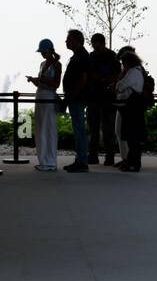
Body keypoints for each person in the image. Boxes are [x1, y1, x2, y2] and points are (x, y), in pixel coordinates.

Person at [28, 39, 62, 172]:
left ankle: (50, 161)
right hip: (40, 95)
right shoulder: (42, 64)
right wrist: (34, 81)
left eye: (43, 51)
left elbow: (56, 84)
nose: (42, 54)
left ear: (49, 51)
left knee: (49, 128)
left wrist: (42, 79)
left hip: (48, 96)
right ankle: (43, 160)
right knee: (40, 128)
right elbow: (42, 83)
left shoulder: (57, 65)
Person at [87, 33, 120, 167]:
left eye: (96, 43)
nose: (94, 46)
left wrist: (104, 79)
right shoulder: (93, 56)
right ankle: (95, 156)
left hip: (106, 98)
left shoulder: (112, 57)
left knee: (107, 130)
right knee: (95, 129)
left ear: (102, 43)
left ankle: (109, 157)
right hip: (95, 97)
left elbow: (118, 75)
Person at [62, 30, 91, 173]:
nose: (66, 42)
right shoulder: (79, 56)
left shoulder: (82, 56)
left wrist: (73, 94)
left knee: (79, 129)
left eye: (68, 39)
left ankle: (82, 161)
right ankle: (80, 159)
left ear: (76, 40)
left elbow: (83, 78)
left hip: (77, 98)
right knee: (78, 128)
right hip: (75, 97)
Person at [114, 50, 147, 172]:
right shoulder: (136, 71)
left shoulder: (133, 72)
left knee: (133, 137)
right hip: (133, 106)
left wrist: (118, 85)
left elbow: (121, 85)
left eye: (123, 62)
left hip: (132, 106)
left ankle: (133, 163)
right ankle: (131, 161)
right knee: (132, 137)